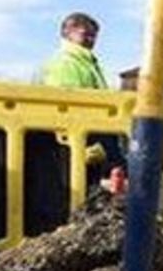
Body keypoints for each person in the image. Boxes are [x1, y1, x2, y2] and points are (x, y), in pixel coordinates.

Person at [42, 12, 125, 185]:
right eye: (85, 34)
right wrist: (82, 146)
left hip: (94, 137)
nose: (91, 40)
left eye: (94, 36)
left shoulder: (86, 62)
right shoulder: (66, 63)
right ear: (67, 33)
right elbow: (67, 108)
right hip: (85, 140)